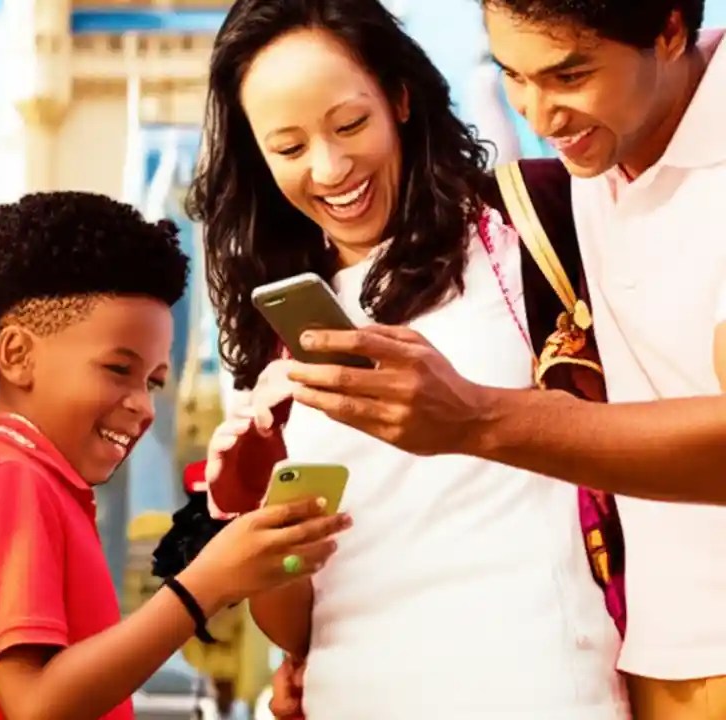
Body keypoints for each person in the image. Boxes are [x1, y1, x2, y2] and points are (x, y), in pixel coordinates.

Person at [277, 0, 726, 716]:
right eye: (511, 74)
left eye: (569, 74)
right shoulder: (588, 168)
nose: (540, 116)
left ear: (669, 30)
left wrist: (477, 419)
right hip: (651, 663)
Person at [184, 0, 629, 716]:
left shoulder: (530, 224)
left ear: (399, 97)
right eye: (289, 149)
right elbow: (294, 624)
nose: (330, 169)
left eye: (350, 124)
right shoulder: (279, 333)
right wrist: (256, 517)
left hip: (541, 687)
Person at [0, 191, 350, 720]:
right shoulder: (11, 482)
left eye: (154, 382)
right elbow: (35, 705)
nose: (143, 406)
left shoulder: (35, 484)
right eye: (118, 370)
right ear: (16, 355)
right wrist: (205, 585)